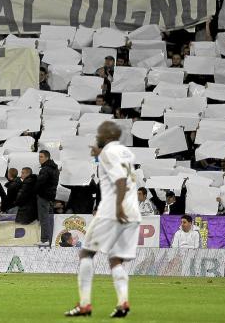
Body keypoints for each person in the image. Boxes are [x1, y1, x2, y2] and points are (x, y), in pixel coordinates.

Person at [66, 121, 140, 318]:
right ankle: (123, 302)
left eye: (99, 133)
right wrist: (99, 154)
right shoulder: (124, 152)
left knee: (86, 253)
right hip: (133, 213)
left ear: (106, 136)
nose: (97, 135)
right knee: (116, 259)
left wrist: (117, 207)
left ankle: (84, 304)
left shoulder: (108, 153)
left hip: (113, 211)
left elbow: (120, 180)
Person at [37, 150, 59, 246]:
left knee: (44, 218)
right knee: (48, 218)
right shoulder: (55, 168)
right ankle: (48, 240)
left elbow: (40, 183)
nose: (39, 159)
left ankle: (44, 240)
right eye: (39, 157)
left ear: (47, 158)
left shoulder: (45, 169)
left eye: (41, 157)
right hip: (51, 196)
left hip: (43, 196)